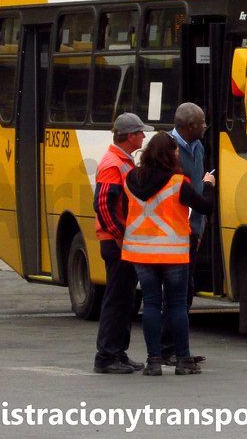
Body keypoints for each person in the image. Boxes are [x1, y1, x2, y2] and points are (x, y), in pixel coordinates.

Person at [123, 132, 215, 376]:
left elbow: (123, 209)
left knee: (151, 304)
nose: (178, 154)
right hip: (173, 252)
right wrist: (208, 185)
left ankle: (153, 361)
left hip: (141, 252)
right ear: (169, 154)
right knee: (176, 305)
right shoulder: (177, 183)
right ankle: (183, 360)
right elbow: (205, 207)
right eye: (175, 151)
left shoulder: (131, 178)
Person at [92, 112, 154, 374]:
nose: (143, 136)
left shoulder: (122, 161)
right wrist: (118, 234)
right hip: (116, 242)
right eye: (140, 133)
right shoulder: (113, 164)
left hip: (122, 240)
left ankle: (118, 352)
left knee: (125, 299)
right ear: (129, 136)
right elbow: (103, 204)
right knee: (117, 300)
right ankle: (107, 356)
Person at [162, 102, 209, 365]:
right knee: (174, 294)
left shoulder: (198, 146)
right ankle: (167, 350)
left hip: (190, 229)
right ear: (189, 126)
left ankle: (177, 349)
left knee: (185, 292)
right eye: (202, 122)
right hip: (172, 231)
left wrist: (199, 229)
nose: (205, 126)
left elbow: (197, 190)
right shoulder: (168, 149)